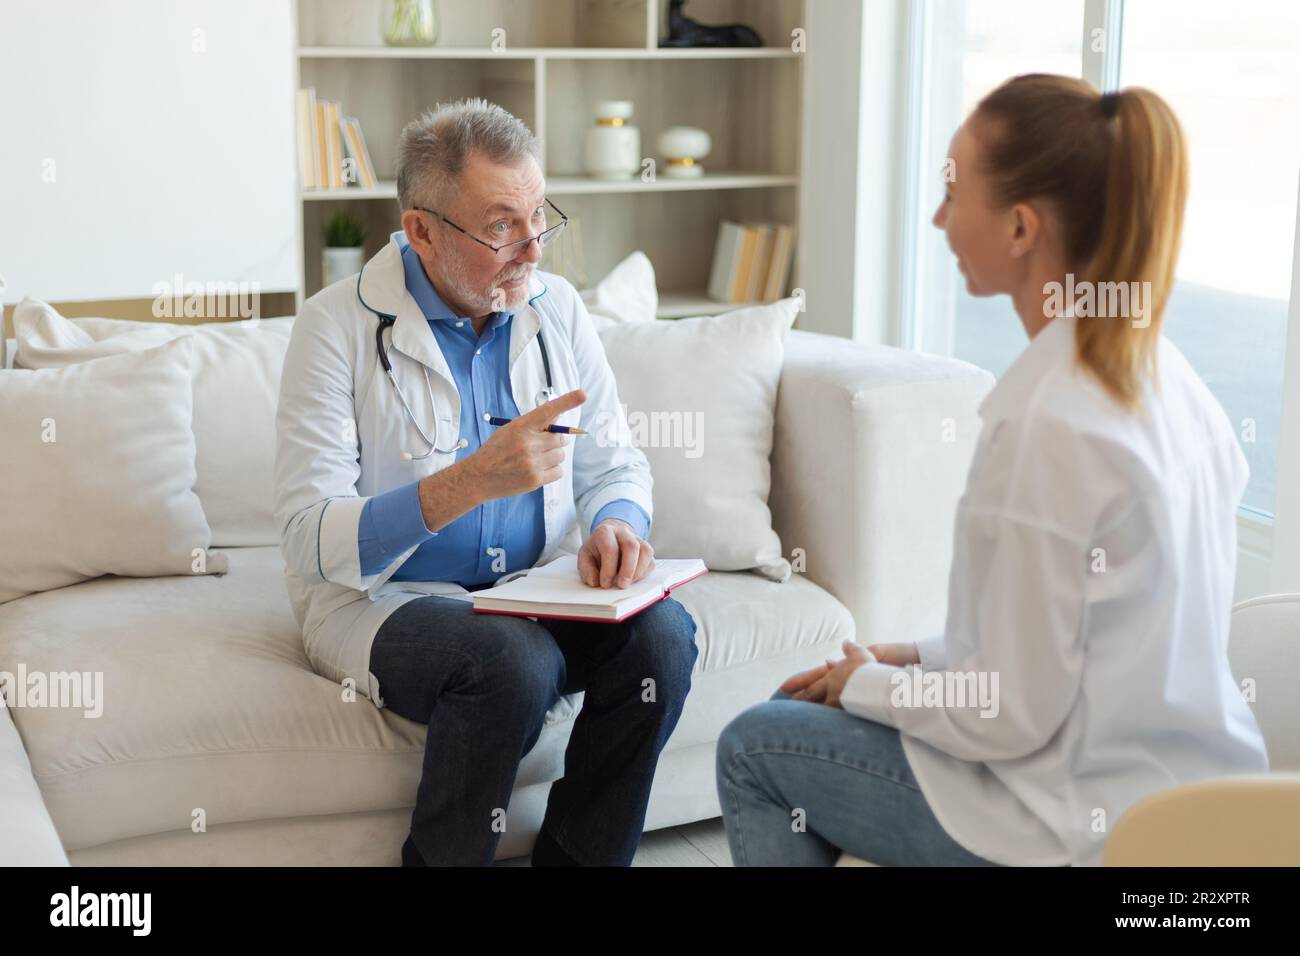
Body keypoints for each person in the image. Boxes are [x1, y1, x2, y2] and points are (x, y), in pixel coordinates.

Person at [715, 74, 1269, 867]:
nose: (938, 218)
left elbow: (1008, 715)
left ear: (1020, 226)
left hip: (1082, 830)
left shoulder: (1048, 424)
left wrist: (865, 686)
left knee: (757, 745)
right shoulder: (1168, 379)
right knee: (810, 709)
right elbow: (1085, 629)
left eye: (952, 192)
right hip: (1195, 806)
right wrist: (912, 657)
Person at [274, 98, 698, 867]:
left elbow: (614, 462)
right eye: (502, 225)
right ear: (422, 231)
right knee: (510, 661)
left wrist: (618, 524)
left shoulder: (557, 310)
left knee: (664, 638)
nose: (533, 249)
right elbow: (309, 537)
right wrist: (467, 484)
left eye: (540, 217)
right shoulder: (334, 327)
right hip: (387, 603)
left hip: (537, 588)